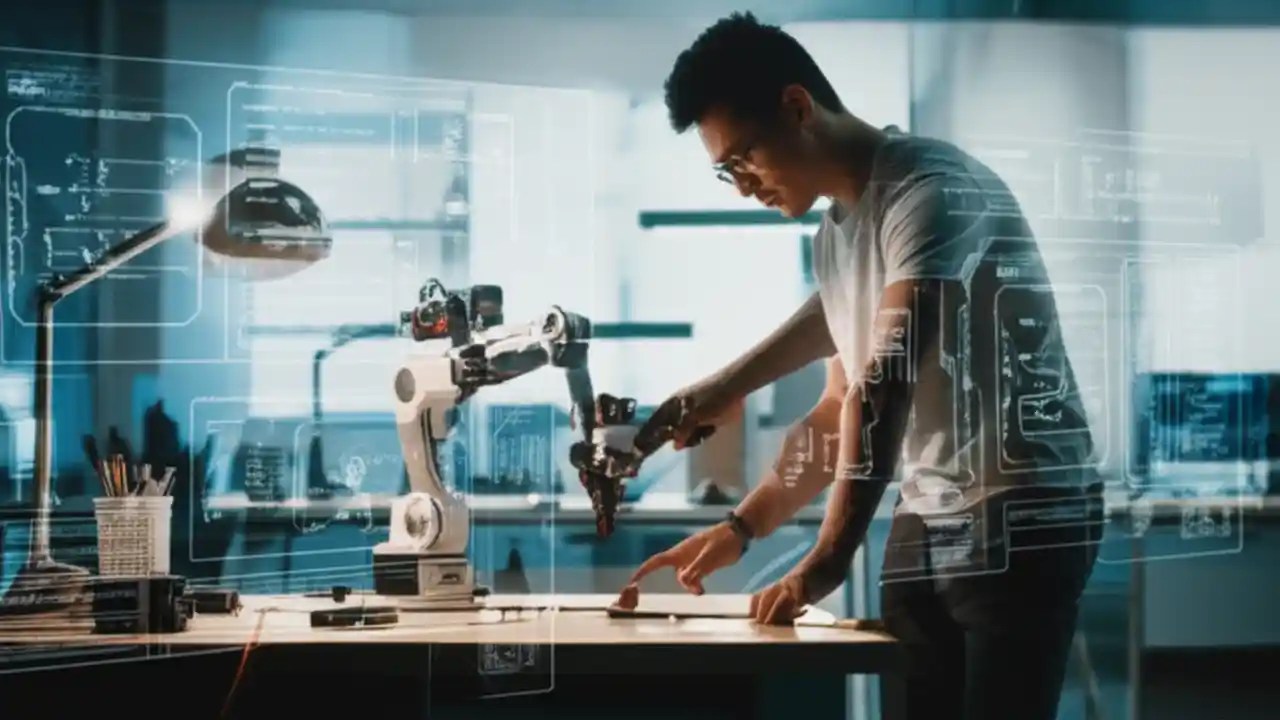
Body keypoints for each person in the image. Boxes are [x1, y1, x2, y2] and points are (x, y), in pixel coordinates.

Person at [624, 12, 1102, 720]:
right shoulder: (835, 235)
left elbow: (884, 386)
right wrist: (741, 528)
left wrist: (825, 557)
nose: (740, 185)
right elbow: (830, 417)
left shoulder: (931, 193)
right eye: (725, 171)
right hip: (927, 506)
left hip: (1022, 507)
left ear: (796, 108)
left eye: (743, 159)